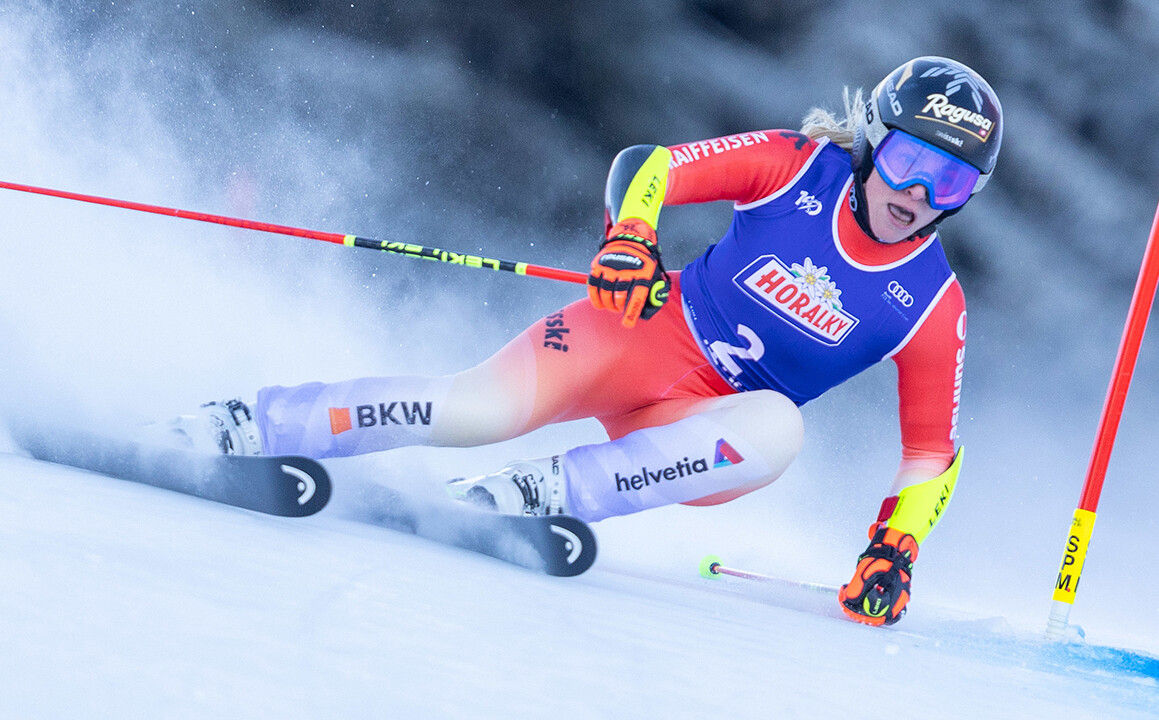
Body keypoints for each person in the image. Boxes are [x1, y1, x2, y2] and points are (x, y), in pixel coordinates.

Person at [173, 56, 1003, 627]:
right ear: (871, 145)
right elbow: (652, 166)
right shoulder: (798, 168)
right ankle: (255, 425)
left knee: (780, 432)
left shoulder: (930, 303)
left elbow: (932, 452)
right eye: (906, 160)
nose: (919, 192)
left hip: (701, 428)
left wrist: (895, 549)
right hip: (636, 331)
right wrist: (630, 238)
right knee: (477, 408)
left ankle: (540, 493)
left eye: (952, 181)